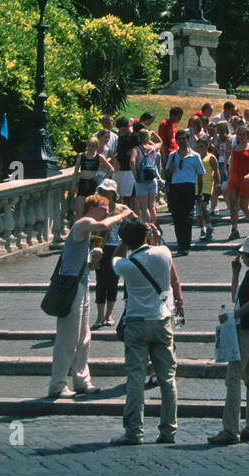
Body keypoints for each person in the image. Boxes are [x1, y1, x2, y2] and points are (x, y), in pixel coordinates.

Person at [49, 194, 133, 398]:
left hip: (82, 284)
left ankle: (82, 380)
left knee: (83, 337)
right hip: (71, 287)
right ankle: (58, 384)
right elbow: (104, 225)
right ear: (92, 208)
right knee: (68, 337)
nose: (107, 211)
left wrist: (91, 259)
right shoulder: (83, 222)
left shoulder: (86, 230)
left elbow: (78, 260)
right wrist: (122, 215)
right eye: (104, 207)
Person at [112, 218, 182, 444]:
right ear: (145, 235)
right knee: (167, 379)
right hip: (162, 321)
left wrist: (123, 242)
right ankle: (168, 430)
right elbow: (160, 247)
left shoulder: (126, 264)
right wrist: (151, 234)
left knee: (135, 378)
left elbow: (114, 258)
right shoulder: (164, 253)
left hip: (136, 322)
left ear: (125, 239)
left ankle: (134, 431)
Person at [210, 236, 249, 445]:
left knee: (234, 378)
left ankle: (230, 429)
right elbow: (235, 296)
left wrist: (232, 316)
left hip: (246, 331)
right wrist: (235, 273)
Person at [163, 129, 204, 257]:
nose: (181, 141)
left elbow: (200, 175)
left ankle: (186, 244)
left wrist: (200, 192)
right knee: (177, 217)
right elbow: (167, 173)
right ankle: (180, 244)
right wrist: (170, 170)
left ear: (188, 140)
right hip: (175, 188)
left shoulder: (195, 156)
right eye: (179, 139)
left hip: (188, 187)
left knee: (187, 217)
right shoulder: (173, 156)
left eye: (184, 139)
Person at [91, 179, 123, 330]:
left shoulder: (120, 208)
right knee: (100, 281)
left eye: (106, 192)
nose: (104, 194)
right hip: (100, 245)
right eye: (102, 192)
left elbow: (134, 219)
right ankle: (100, 314)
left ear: (113, 194)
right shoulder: (98, 209)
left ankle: (109, 313)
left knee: (113, 281)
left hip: (116, 247)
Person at [226, 126, 249, 240]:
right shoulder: (234, 148)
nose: (242, 137)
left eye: (244, 134)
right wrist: (230, 175)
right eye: (240, 134)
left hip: (246, 178)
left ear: (248, 136)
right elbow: (232, 163)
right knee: (233, 205)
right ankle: (234, 229)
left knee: (244, 206)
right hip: (234, 177)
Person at [71, 137, 104, 219]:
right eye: (89, 145)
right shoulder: (81, 156)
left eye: (93, 146)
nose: (90, 148)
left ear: (96, 147)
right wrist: (73, 185)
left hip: (92, 184)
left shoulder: (99, 157)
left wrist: (99, 177)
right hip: (83, 183)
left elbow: (111, 169)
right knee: (79, 210)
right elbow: (75, 172)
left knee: (91, 210)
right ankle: (79, 228)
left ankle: (90, 230)